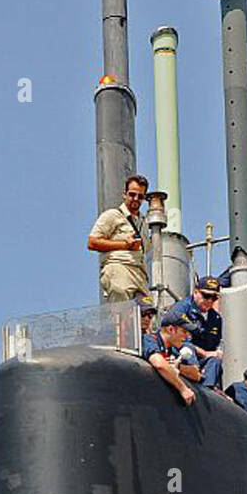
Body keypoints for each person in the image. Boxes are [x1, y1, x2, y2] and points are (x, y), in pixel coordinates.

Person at [87, 174, 151, 302]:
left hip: (139, 274)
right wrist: (124, 244)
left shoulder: (144, 223)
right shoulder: (113, 215)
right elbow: (92, 242)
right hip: (119, 267)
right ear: (125, 194)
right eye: (132, 194)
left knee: (147, 314)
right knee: (122, 310)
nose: (136, 199)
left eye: (140, 196)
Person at [142, 304, 201, 407]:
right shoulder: (149, 339)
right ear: (171, 330)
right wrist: (183, 389)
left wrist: (178, 366)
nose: (187, 337)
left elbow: (196, 374)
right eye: (184, 331)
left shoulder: (174, 349)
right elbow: (159, 363)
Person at [173, 276, 224, 388]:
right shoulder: (181, 309)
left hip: (202, 363)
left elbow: (215, 346)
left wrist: (214, 353)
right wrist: (204, 353)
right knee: (188, 348)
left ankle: (207, 391)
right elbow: (177, 341)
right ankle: (195, 374)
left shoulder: (215, 319)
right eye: (206, 296)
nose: (210, 301)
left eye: (214, 298)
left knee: (215, 361)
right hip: (182, 358)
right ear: (195, 292)